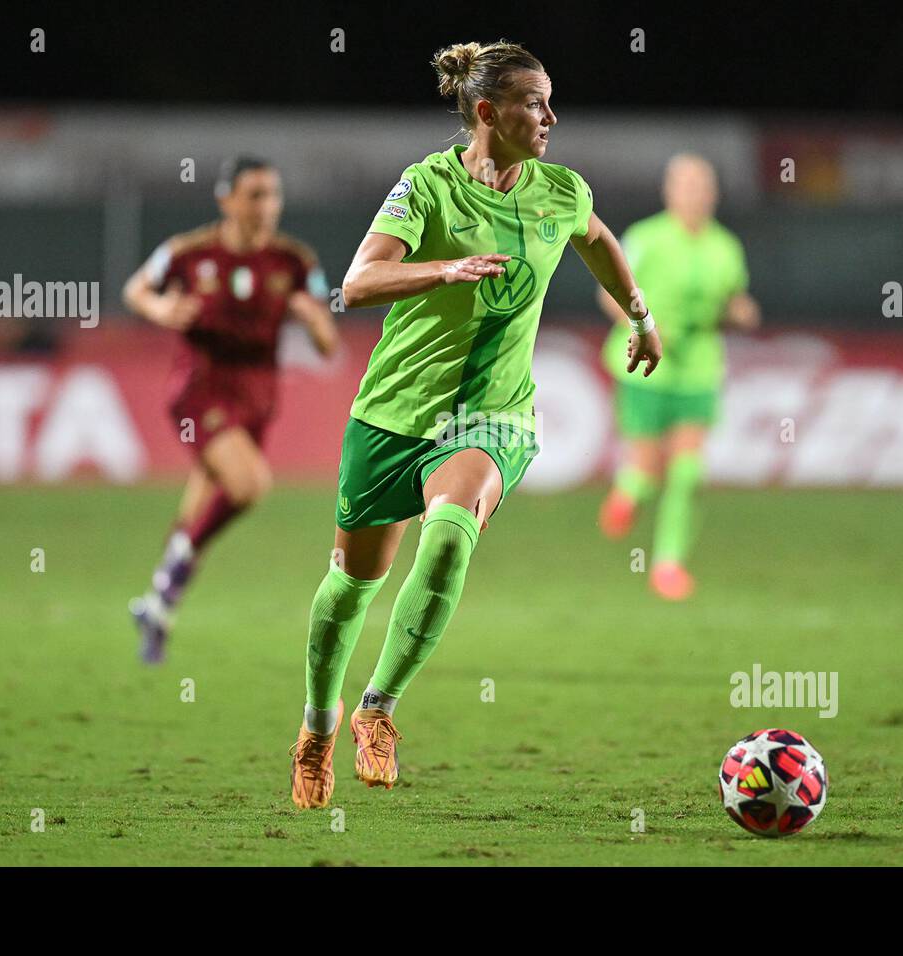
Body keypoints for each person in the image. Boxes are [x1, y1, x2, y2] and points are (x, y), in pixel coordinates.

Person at [287, 39, 662, 809]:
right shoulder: (425, 187)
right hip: (393, 415)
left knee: (451, 532)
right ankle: (317, 729)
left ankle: (379, 709)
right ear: (487, 112)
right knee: (350, 588)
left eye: (552, 101)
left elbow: (597, 240)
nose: (552, 116)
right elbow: (357, 283)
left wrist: (639, 313)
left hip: (492, 416)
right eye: (535, 103)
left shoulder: (561, 191)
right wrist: (442, 269)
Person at [123, 156, 338, 662]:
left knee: (201, 502)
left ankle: (159, 604)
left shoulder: (295, 263)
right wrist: (160, 309)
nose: (267, 207)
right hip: (201, 390)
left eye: (273, 195)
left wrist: (313, 321)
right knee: (249, 485)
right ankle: (166, 586)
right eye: (256, 195)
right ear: (227, 200)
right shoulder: (190, 253)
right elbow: (136, 288)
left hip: (259, 398)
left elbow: (328, 345)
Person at [596, 154, 759, 600]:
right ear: (669, 192)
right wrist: (642, 327)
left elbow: (733, 303)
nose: (694, 195)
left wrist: (740, 313)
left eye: (702, 187)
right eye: (685, 186)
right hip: (645, 366)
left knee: (687, 470)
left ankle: (667, 565)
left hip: (698, 368)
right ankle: (628, 492)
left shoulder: (725, 247)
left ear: (714, 194)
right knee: (647, 470)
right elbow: (609, 291)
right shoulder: (645, 239)